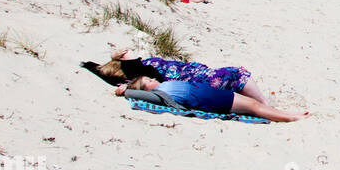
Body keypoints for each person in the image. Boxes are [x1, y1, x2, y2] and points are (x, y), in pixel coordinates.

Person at [81, 49, 270, 103]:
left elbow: (94, 67)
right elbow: (130, 59)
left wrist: (93, 65)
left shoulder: (136, 70)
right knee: (237, 74)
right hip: (189, 79)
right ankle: (263, 103)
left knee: (231, 75)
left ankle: (258, 101)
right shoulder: (136, 70)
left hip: (190, 73)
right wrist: (122, 58)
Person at [116, 76, 308, 123]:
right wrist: (125, 89)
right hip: (209, 101)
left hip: (211, 93)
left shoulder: (162, 86)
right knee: (253, 107)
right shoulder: (159, 95)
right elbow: (135, 94)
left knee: (254, 105)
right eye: (148, 81)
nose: (152, 79)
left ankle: (287, 114)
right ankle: (290, 117)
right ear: (145, 90)